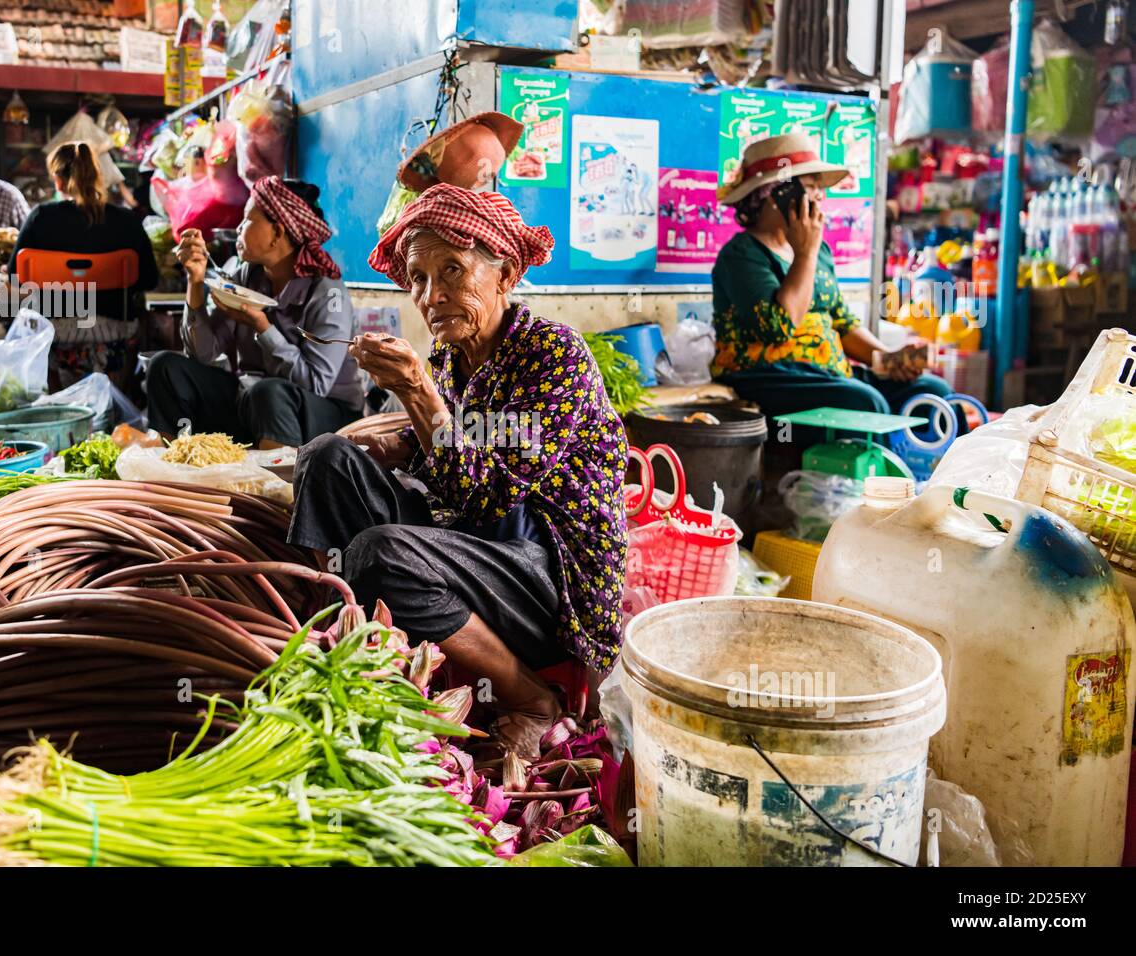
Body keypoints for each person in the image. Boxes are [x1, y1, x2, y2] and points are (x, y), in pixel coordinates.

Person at [287, 185, 629, 757]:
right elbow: (451, 450)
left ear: (504, 276)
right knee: (325, 457)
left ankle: (531, 699)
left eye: (453, 271)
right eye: (418, 278)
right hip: (478, 547)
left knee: (380, 552)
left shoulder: (555, 355)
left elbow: (489, 496)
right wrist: (398, 444)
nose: (432, 294)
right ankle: (346, 634)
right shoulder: (452, 358)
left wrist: (417, 392)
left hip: (549, 578)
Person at [711, 132, 957, 429]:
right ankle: (866, 476)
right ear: (776, 194)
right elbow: (778, 327)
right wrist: (805, 254)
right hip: (768, 378)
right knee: (864, 404)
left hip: (827, 374)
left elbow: (841, 321)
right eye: (812, 187)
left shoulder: (819, 250)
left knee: (936, 394)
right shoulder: (740, 256)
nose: (820, 196)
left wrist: (887, 359)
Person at [147, 176, 363, 447]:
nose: (238, 228)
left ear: (278, 233)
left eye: (248, 219)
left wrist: (263, 327)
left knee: (267, 392)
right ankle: (173, 465)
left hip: (327, 414)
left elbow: (316, 383)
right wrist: (195, 281)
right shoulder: (245, 277)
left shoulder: (326, 291)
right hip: (255, 402)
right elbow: (202, 354)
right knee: (166, 367)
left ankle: (275, 485)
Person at [9, 142, 158, 385]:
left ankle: (55, 396)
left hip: (54, 331)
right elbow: (150, 279)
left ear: (57, 180)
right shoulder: (127, 221)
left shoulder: (41, 217)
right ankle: (119, 397)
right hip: (114, 332)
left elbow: (14, 276)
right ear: (97, 175)